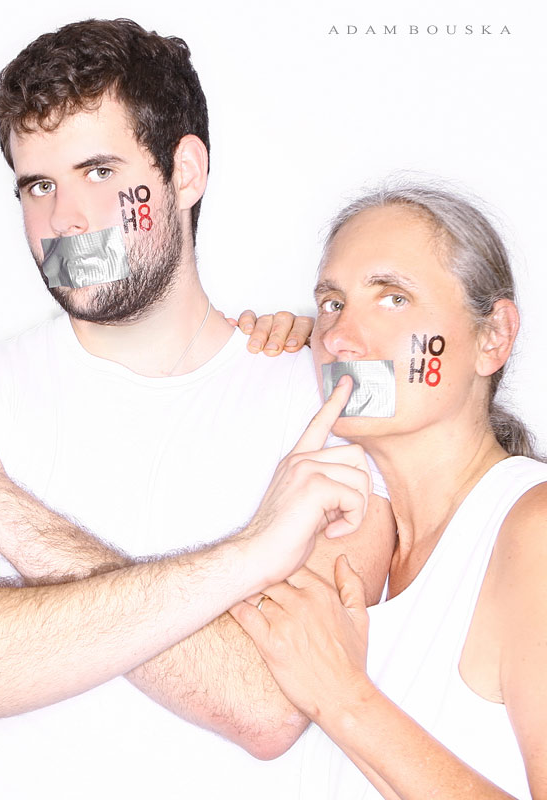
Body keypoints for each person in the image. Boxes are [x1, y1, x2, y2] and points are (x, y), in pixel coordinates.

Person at [0, 18, 397, 798]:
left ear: (185, 172)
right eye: (38, 185)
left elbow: (269, 700)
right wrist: (244, 567)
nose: (66, 219)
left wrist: (7, 516)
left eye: (100, 170)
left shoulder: (327, 405)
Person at [231, 183, 547, 799]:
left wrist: (343, 698)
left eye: (394, 298)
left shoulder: (533, 533)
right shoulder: (361, 554)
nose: (342, 338)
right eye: (330, 303)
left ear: (493, 337)